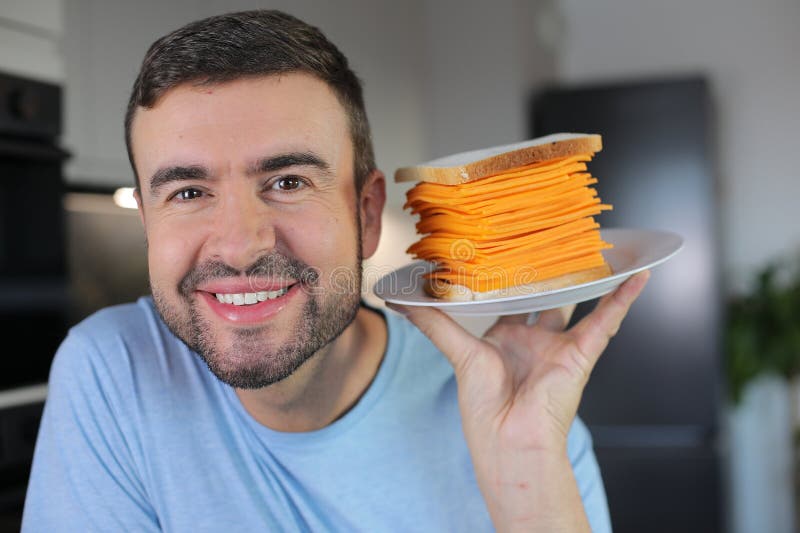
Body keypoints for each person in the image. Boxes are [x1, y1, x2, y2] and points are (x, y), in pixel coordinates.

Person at [22, 9, 648, 532]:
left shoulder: (517, 416)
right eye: (187, 192)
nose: (239, 246)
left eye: (288, 181)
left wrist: (528, 467)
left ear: (367, 212)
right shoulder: (112, 371)